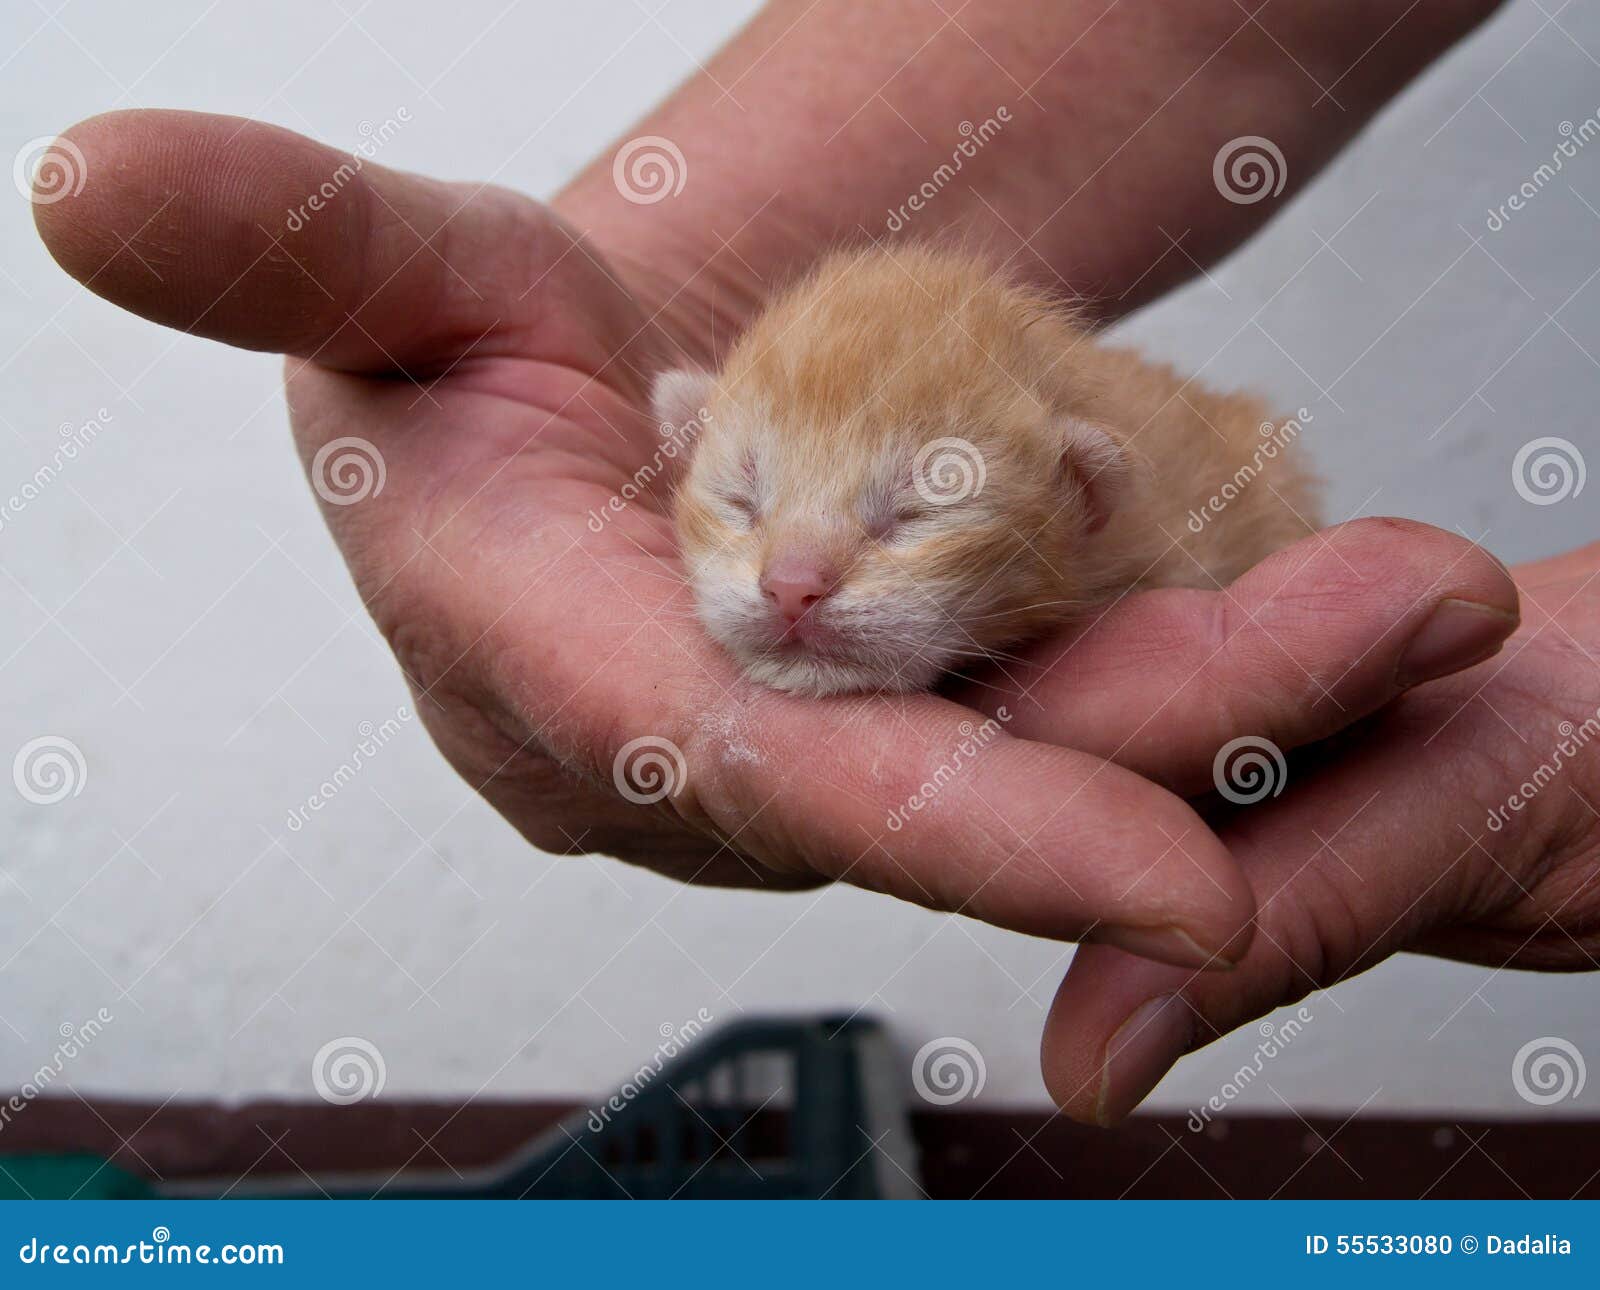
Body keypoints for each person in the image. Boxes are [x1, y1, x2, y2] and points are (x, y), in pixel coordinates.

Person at [33, 0, 1597, 1127]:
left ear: (1088, 500)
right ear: (684, 439)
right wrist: (608, 302)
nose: (792, 582)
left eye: (912, 517)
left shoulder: (1169, 485)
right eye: (743, 495)